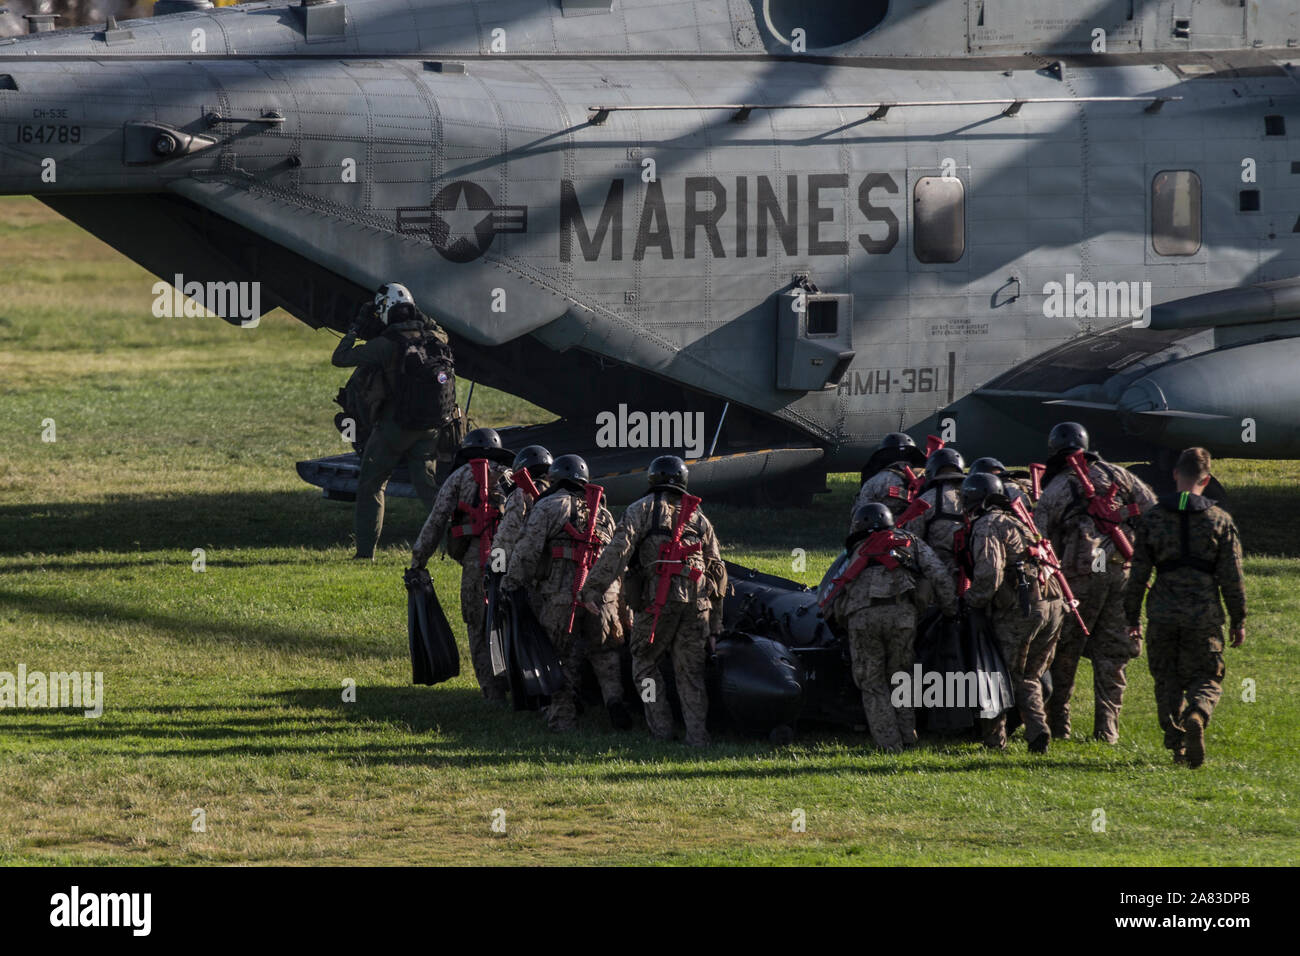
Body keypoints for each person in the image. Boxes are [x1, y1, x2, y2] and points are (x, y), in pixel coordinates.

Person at [579, 456, 726, 747]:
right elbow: (718, 572)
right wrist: (716, 626)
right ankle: (698, 738)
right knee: (691, 673)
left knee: (644, 665)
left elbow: (617, 552)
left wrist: (592, 589)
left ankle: (660, 730)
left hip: (657, 605)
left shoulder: (640, 510)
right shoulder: (700, 518)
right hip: (697, 606)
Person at [1034, 422, 1156, 743]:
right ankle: (1107, 729)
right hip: (1123, 573)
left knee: (1064, 651)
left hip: (1078, 581)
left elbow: (1037, 538)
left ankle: (1059, 725)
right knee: (1113, 653)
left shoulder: (1056, 488)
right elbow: (1153, 512)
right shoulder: (1120, 475)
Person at [1124, 448, 1246, 768]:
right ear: (1206, 479)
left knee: (1167, 680)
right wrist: (1238, 619)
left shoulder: (1152, 518)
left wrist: (1131, 617)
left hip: (1163, 613)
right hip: (1203, 615)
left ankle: (1177, 745)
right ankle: (1198, 713)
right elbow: (1232, 577)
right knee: (1207, 675)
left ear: (1175, 474)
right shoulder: (1220, 520)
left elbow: (1137, 574)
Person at [503, 455, 631, 731]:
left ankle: (563, 719)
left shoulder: (548, 506)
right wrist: (623, 608)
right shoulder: (605, 516)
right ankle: (614, 700)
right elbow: (619, 563)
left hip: (563, 596)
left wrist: (511, 583)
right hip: (604, 597)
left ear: (555, 478)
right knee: (606, 653)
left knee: (560, 656)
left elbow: (527, 552)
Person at [331, 283, 459, 560]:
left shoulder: (385, 346)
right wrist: (420, 315)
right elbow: (437, 327)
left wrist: (355, 328)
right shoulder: (436, 337)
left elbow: (339, 358)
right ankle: (456, 544)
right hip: (431, 427)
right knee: (428, 488)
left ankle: (365, 553)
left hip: (395, 428)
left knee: (372, 485)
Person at [822, 503, 957, 752]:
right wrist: (950, 610)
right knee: (901, 676)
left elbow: (830, 591)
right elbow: (938, 574)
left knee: (873, 682)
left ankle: (889, 745)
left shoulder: (853, 552)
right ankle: (907, 736)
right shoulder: (910, 542)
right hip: (902, 616)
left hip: (862, 618)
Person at [963, 472, 1065, 753]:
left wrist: (970, 601)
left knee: (997, 672)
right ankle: (1037, 729)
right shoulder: (1020, 522)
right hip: (1053, 603)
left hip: (1023, 608)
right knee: (1030, 675)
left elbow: (989, 575)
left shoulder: (986, 525)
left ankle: (995, 740)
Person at [410, 428, 514, 699]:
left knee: (478, 625)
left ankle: (493, 693)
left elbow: (436, 521)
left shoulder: (459, 477)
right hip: (513, 560)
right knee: (513, 619)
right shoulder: (512, 477)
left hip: (476, 562)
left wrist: (418, 560)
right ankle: (520, 684)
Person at [902, 447, 968, 589]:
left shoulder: (926, 500)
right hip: (974, 569)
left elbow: (912, 540)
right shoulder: (974, 496)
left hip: (937, 573)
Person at [850, 432, 927, 520]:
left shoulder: (874, 481)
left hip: (886, 530)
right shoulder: (926, 478)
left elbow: (859, 514)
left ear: (883, 456)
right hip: (918, 530)